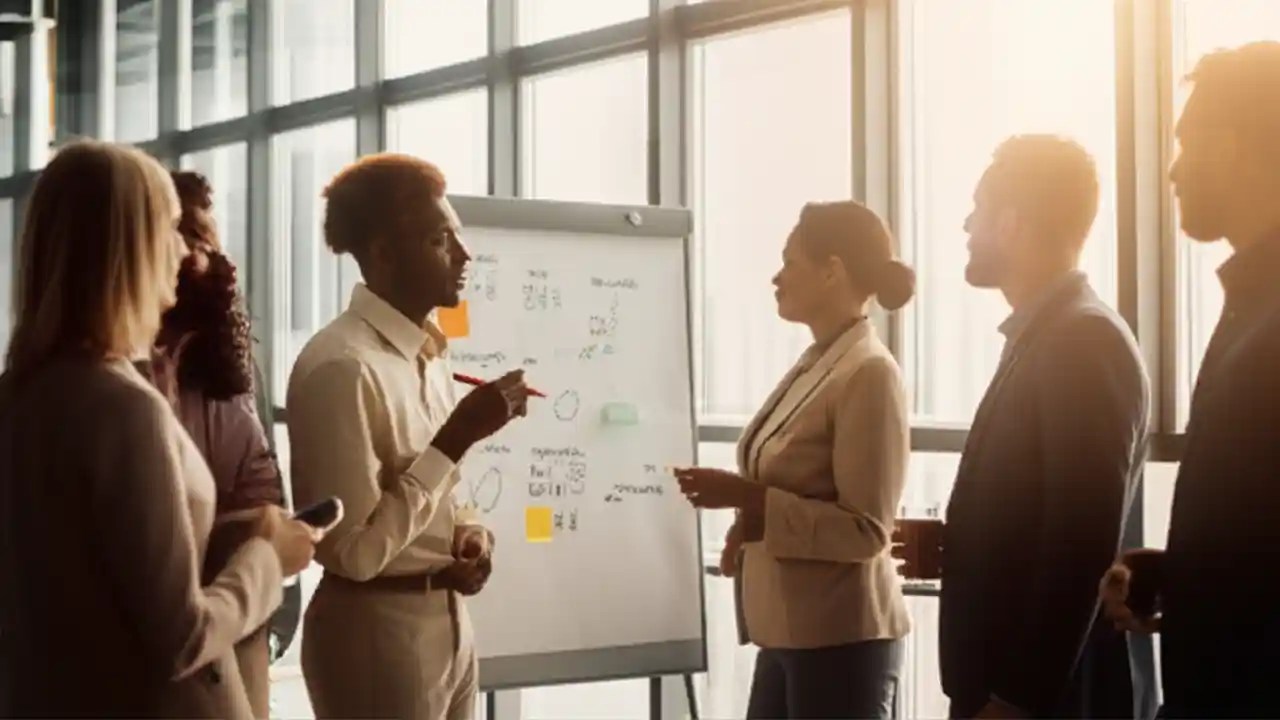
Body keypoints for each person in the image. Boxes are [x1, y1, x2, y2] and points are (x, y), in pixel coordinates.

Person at [0, 140, 319, 718]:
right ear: (127, 246)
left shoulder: (22, 397)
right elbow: (181, 637)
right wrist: (269, 558)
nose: (184, 250)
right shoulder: (124, 407)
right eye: (171, 227)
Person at [288, 154, 529, 720]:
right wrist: (457, 437)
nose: (464, 256)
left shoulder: (428, 353)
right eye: (441, 240)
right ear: (383, 253)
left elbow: (441, 494)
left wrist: (470, 536)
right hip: (377, 631)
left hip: (447, 620)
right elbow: (351, 553)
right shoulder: (341, 367)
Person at [935, 135, 1150, 719]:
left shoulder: (1083, 341)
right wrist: (958, 547)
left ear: (1012, 223)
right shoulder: (1046, 335)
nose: (965, 225)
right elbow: (1038, 517)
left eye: (976, 210)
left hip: (1038, 700)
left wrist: (1016, 700)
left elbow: (1078, 546)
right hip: (1008, 686)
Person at [675, 200, 915, 720]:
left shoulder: (869, 372)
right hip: (790, 633)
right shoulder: (821, 360)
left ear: (832, 271)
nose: (776, 278)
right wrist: (751, 521)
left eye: (790, 262)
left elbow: (866, 531)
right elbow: (798, 488)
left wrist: (747, 497)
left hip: (841, 642)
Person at [1100, 41, 1280, 719]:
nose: (1172, 171)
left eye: (1186, 143)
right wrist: (1180, 574)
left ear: (1233, 145)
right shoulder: (1248, 307)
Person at [138, 169, 284, 718]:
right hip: (170, 650)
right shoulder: (121, 388)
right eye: (188, 237)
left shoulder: (232, 369)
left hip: (240, 634)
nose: (205, 257)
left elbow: (269, 490)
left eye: (209, 240)